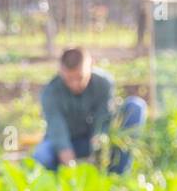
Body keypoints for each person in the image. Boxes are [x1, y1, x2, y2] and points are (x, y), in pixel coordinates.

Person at [32, 47, 148, 175]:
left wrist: (98, 153)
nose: (75, 84)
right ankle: (53, 182)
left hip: (93, 142)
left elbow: (103, 121)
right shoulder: (50, 92)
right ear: (61, 71)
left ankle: (117, 176)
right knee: (41, 156)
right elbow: (57, 130)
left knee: (136, 106)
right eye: (69, 79)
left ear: (91, 66)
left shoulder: (103, 83)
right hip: (66, 143)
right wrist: (73, 172)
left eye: (80, 78)